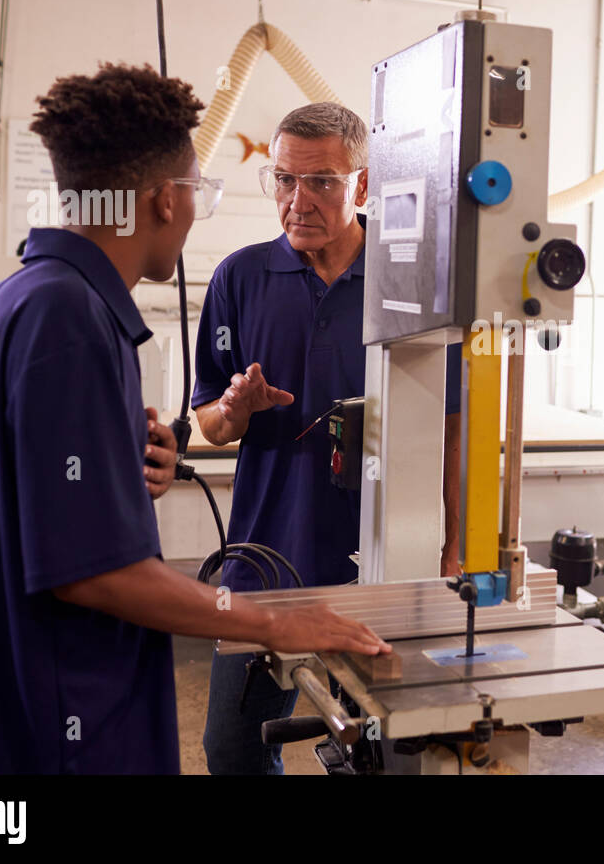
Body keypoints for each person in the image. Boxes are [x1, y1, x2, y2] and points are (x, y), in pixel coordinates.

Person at [0, 64, 387, 775]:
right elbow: (95, 573)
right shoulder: (71, 321)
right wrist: (273, 621)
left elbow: (39, 498)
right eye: (200, 193)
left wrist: (124, 461)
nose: (293, 201)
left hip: (10, 703)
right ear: (165, 200)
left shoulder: (20, 300)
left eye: (318, 182)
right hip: (63, 718)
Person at [192, 103, 461, 775]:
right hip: (263, 562)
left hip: (382, 564)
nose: (297, 201)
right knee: (233, 748)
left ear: (363, 186)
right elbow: (212, 427)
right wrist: (235, 408)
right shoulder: (240, 278)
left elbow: (453, 426)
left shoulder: (412, 281)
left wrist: (454, 550)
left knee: (381, 748)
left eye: (322, 183)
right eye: (284, 180)